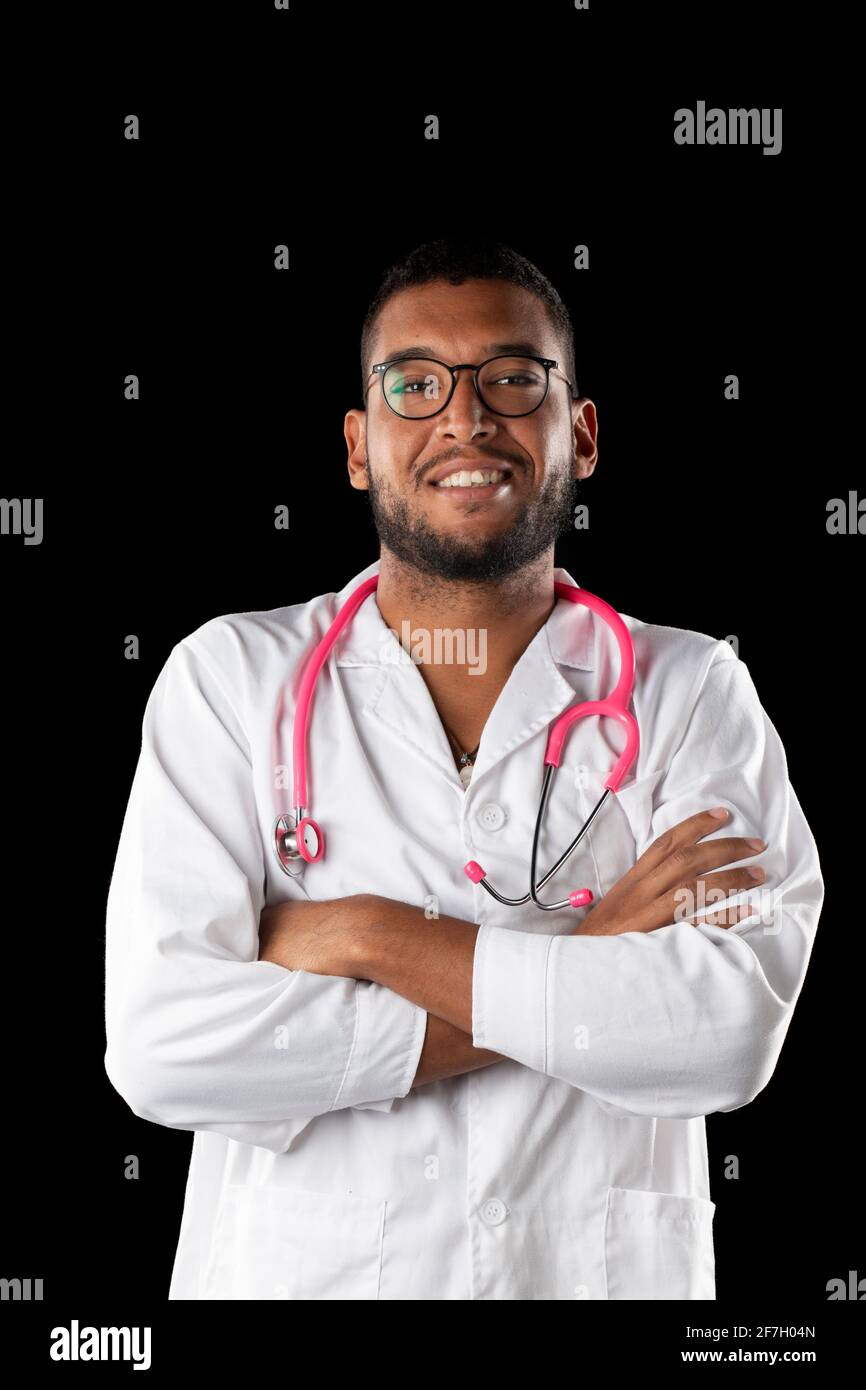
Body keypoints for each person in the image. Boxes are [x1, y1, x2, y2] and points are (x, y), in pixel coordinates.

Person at [103, 238, 823, 1300]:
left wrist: (365, 934)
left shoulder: (691, 690)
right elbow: (167, 1049)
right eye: (414, 384)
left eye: (512, 377)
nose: (463, 418)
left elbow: (724, 1033)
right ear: (358, 447)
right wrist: (588, 959)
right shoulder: (228, 681)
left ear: (578, 432)